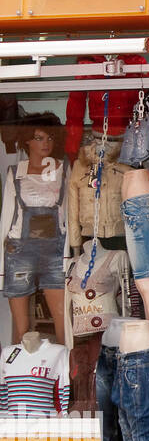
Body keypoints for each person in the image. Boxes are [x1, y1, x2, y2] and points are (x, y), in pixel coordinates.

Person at [0, 114, 70, 344]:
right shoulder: (16, 172)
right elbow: (7, 219)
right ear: (27, 141)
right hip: (20, 250)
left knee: (62, 320)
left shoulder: (63, 170)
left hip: (55, 250)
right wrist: (2, 268)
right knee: (21, 327)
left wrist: (71, 254)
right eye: (39, 138)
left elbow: (68, 216)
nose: (46, 143)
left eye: (50, 137)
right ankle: (17, 374)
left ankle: (62, 374)